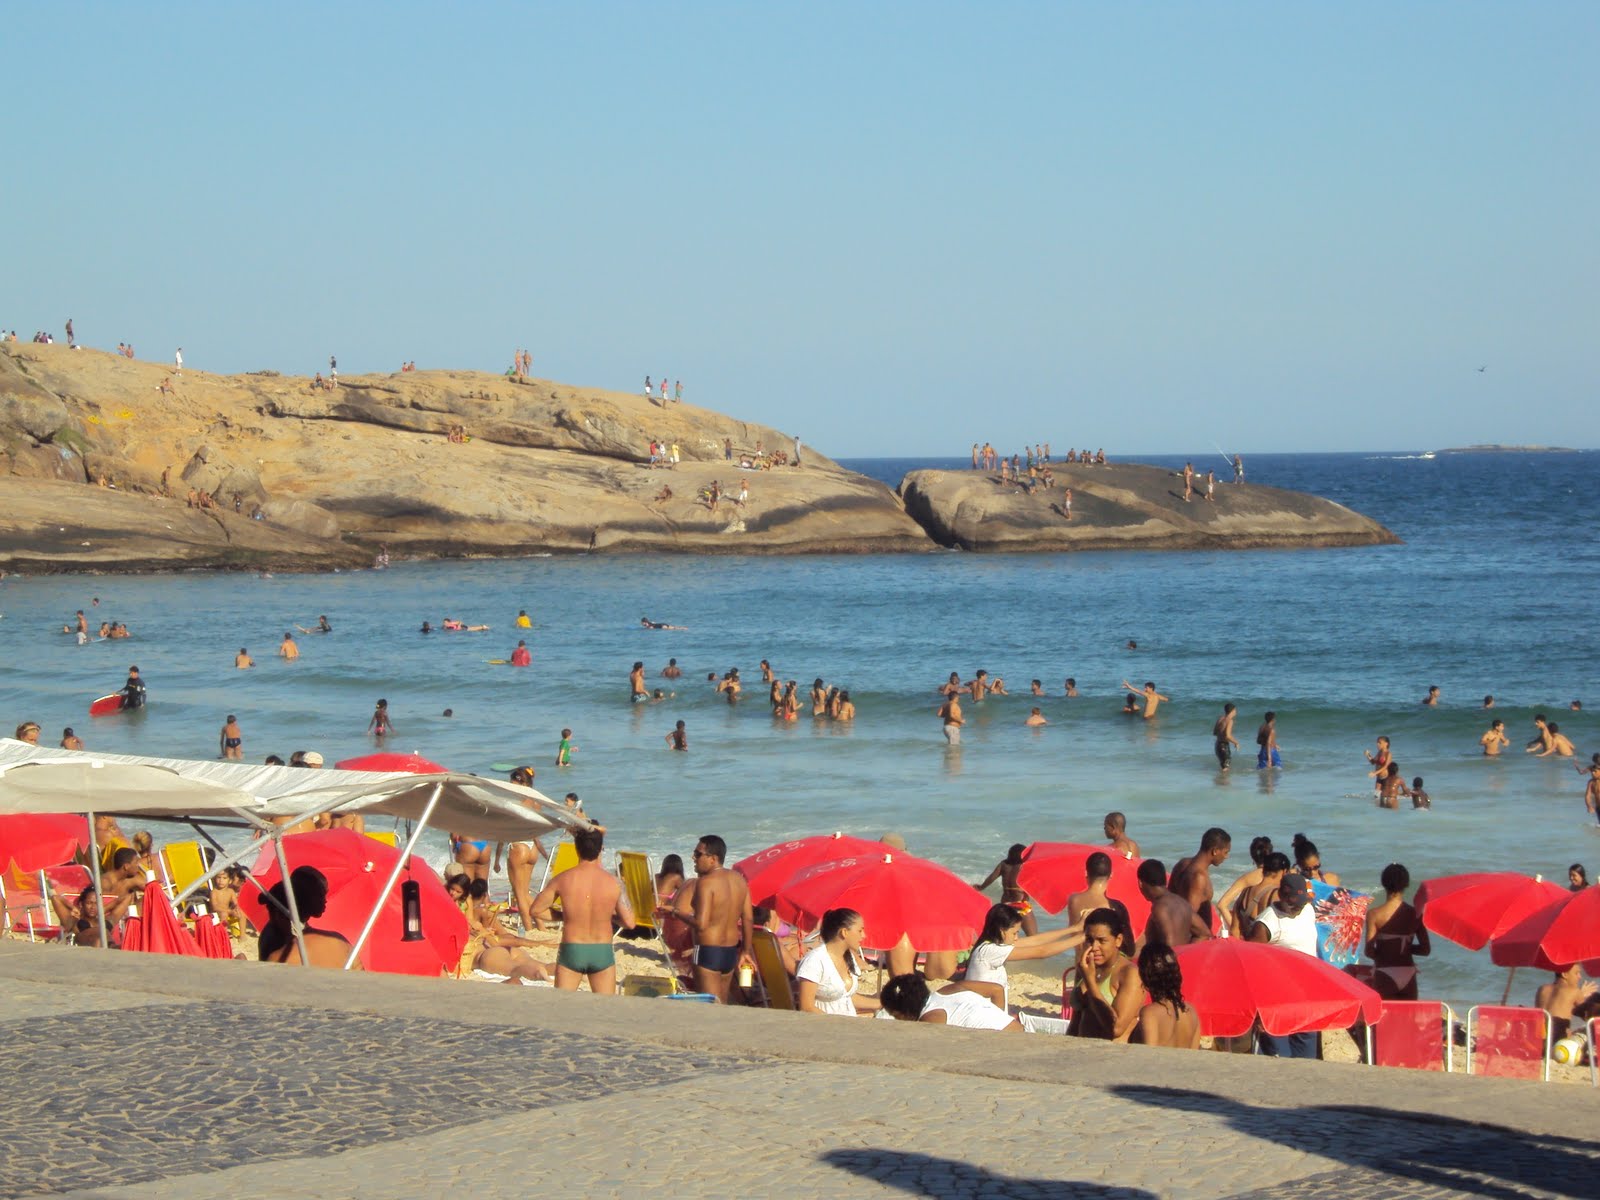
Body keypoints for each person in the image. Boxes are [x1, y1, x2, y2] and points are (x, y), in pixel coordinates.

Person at [530, 827, 633, 994]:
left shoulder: (563, 879)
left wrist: (564, 916)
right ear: (600, 849)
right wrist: (608, 917)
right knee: (605, 1007)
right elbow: (629, 922)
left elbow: (536, 910)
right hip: (601, 950)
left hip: (572, 950)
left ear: (576, 849)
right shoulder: (614, 883)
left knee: (563, 1005)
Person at [669, 835, 754, 1003]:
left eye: (698, 854)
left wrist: (675, 912)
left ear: (713, 859)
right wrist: (745, 951)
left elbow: (701, 924)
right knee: (721, 1004)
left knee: (709, 1007)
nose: (693, 858)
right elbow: (748, 919)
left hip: (708, 950)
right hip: (730, 951)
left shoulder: (706, 882)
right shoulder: (739, 880)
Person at [1244, 872, 1319, 1056]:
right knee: (1279, 1059)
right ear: (1282, 897)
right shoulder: (1267, 923)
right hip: (1276, 1001)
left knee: (1307, 1060)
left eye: (1302, 902)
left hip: (1306, 998)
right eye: (1294, 903)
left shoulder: (1308, 910)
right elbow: (1251, 966)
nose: (1299, 908)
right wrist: (1258, 1009)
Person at [964, 904, 1084, 998]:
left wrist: (1074, 928)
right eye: (1014, 933)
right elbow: (1042, 952)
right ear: (1002, 930)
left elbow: (1035, 941)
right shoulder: (990, 950)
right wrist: (1083, 937)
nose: (1016, 938)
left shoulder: (989, 944)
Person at [259, 867, 364, 970]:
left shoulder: (277, 956)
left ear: (277, 913)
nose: (325, 900)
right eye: (320, 894)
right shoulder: (339, 942)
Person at [1067, 908, 1142, 1042]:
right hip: (1081, 1049)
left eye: (1102, 941)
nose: (1094, 947)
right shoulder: (1086, 967)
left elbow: (1116, 1028)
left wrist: (1090, 982)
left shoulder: (1129, 974)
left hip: (1111, 1052)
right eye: (1089, 940)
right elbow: (1076, 1020)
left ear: (1118, 940)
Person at [1364, 863, 1430, 1000]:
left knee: (1385, 1013)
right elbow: (1425, 950)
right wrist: (1406, 947)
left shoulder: (1374, 914)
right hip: (1408, 972)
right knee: (1408, 1013)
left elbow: (1368, 951)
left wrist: (1386, 950)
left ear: (1384, 883)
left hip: (1384, 972)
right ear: (1406, 884)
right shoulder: (1416, 914)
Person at [795, 908, 876, 1016]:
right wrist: (836, 1023)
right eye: (860, 931)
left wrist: (882, 1004)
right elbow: (806, 1007)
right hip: (824, 1024)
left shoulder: (848, 958)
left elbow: (846, 998)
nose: (864, 935)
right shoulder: (815, 961)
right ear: (844, 932)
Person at [880, 974, 1020, 1031]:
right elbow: (997, 990)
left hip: (1009, 1043)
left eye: (895, 1015)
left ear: (904, 1013)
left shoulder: (929, 1021)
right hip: (1020, 1028)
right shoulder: (954, 988)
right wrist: (1001, 1018)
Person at [1132, 944, 1201, 1049]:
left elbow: (1148, 1055)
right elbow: (1194, 1054)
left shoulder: (1150, 1013)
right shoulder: (1191, 1011)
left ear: (1144, 977)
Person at [1167, 828, 1230, 931]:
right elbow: (1189, 917)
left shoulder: (1182, 864)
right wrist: (1204, 935)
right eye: (1225, 852)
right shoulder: (1199, 877)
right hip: (1193, 938)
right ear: (1215, 851)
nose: (1226, 857)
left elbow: (1169, 898)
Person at [1136, 859, 1210, 947]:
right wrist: (1186, 951)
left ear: (1140, 883)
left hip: (1169, 955)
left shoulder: (1160, 908)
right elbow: (1204, 933)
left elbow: (1171, 945)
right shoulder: (1182, 903)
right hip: (1179, 955)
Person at [973, 844, 1037, 935]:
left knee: (1007, 936)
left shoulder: (1003, 864)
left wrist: (981, 887)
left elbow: (992, 877)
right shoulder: (1024, 866)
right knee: (1032, 936)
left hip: (1005, 906)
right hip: (1020, 904)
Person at [1215, 836, 1274, 934]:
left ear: (1253, 857)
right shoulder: (1280, 877)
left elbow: (1222, 904)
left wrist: (1237, 929)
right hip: (1274, 930)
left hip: (1252, 931)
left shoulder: (1247, 879)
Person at [1066, 852, 1131, 933]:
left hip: (1078, 941)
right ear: (1111, 874)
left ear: (1086, 873)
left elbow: (1073, 933)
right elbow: (1127, 938)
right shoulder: (1117, 907)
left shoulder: (1074, 900)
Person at [1535, 963, 1598, 1041]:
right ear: (1564, 974)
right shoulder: (1574, 991)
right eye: (1576, 973)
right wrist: (1582, 995)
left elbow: (1562, 1004)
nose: (1579, 977)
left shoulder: (1542, 989)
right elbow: (1588, 1016)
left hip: (1540, 1037)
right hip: (1558, 1038)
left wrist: (1580, 994)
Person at [1213, 702, 1240, 769]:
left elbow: (1215, 732)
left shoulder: (1220, 719)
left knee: (1223, 765)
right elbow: (1228, 735)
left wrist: (1221, 734)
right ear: (1232, 710)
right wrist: (1236, 743)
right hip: (1224, 746)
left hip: (1217, 745)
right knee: (1226, 767)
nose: (1236, 712)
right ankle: (1223, 776)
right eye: (1235, 710)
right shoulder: (1230, 721)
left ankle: (1221, 776)